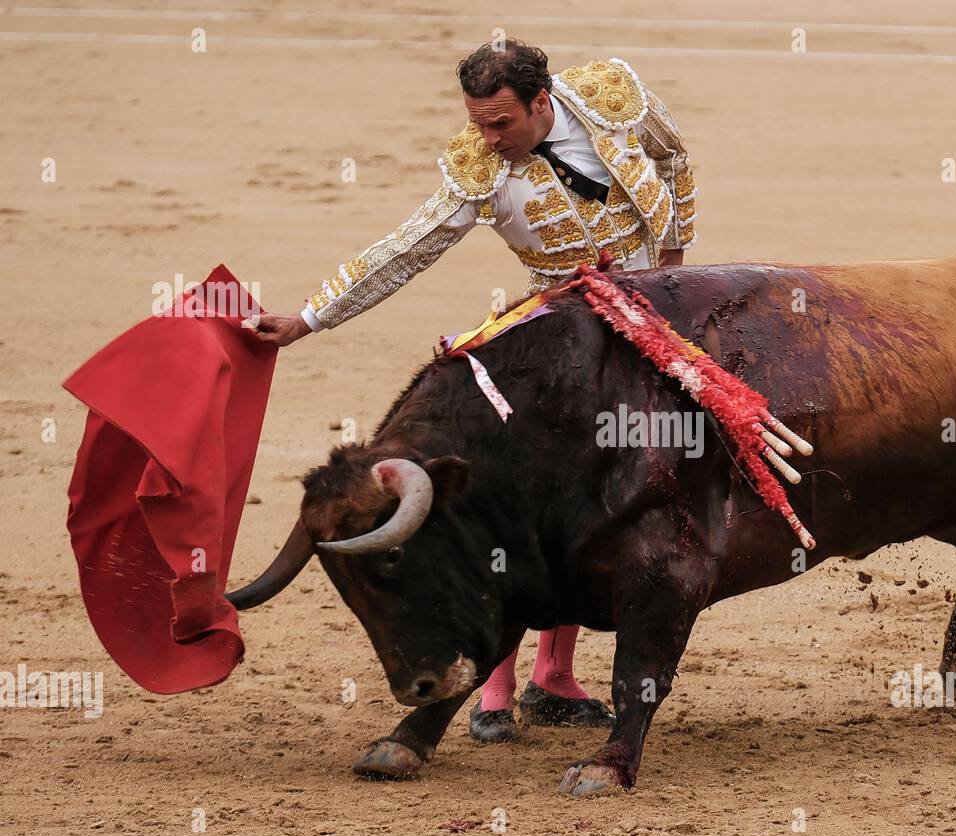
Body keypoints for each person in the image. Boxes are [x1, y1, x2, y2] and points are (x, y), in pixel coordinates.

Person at [250, 39, 698, 743]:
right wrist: (307, 319)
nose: (487, 138)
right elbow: (405, 249)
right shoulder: (479, 169)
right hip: (558, 337)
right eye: (478, 122)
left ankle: (553, 678)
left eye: (500, 123)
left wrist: (675, 254)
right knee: (515, 502)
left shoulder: (611, 94)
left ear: (542, 102)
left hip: (649, 322)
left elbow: (673, 158)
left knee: (600, 503)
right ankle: (494, 690)